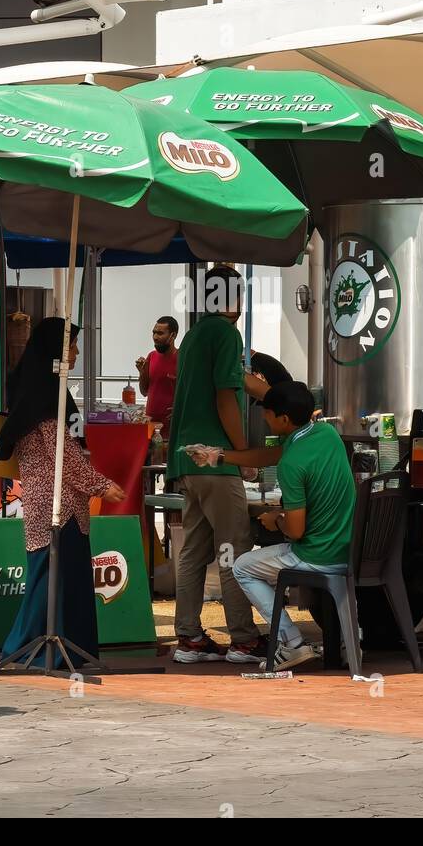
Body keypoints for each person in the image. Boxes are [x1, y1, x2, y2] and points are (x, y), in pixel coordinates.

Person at [0, 318, 125, 667]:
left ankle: (65, 649)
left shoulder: (42, 387)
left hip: (60, 498)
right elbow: (62, 455)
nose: (76, 352)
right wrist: (101, 485)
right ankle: (30, 648)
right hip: (55, 499)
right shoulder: (46, 394)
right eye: (71, 345)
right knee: (50, 576)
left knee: (64, 575)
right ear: (56, 349)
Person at [203, 382, 356, 671]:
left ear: (284, 419)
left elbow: (295, 531)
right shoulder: (327, 434)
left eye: (268, 413)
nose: (264, 417)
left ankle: (291, 642)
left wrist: (276, 519)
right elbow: (272, 455)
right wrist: (220, 455)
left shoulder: (292, 464)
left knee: (242, 567)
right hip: (346, 549)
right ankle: (349, 641)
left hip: (317, 555)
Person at [165, 265, 267, 665]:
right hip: (217, 460)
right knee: (233, 549)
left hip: (188, 460)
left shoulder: (193, 336)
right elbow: (227, 397)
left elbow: (240, 380)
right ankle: (244, 639)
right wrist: (242, 455)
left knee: (194, 551)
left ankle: (189, 637)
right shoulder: (226, 333)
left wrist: (279, 394)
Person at [136, 315, 179, 436]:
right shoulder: (151, 356)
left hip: (173, 426)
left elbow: (191, 391)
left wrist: (180, 409)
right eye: (154, 333)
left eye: (160, 333)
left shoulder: (181, 358)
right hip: (151, 425)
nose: (155, 337)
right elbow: (144, 392)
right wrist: (142, 372)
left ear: (173, 335)